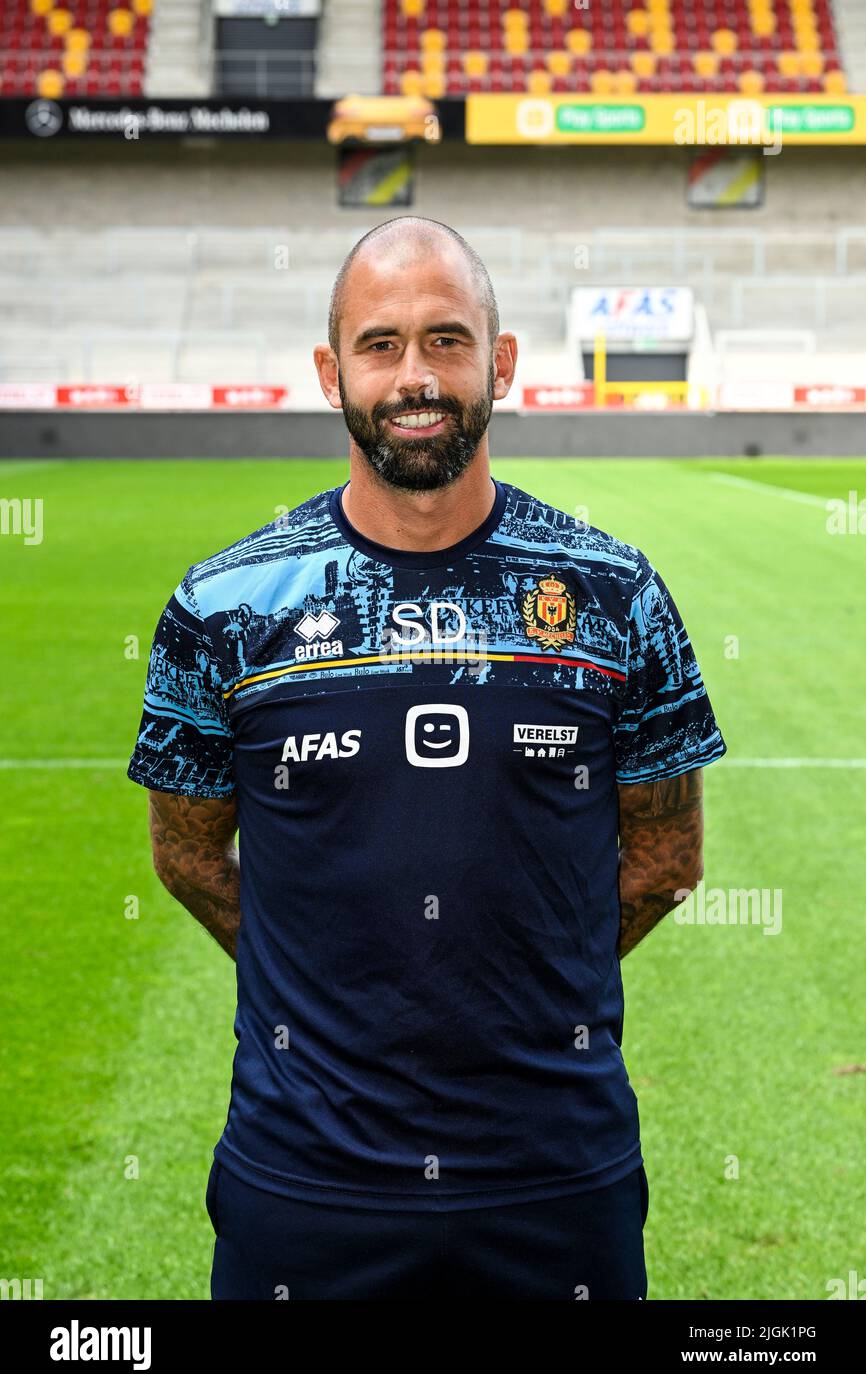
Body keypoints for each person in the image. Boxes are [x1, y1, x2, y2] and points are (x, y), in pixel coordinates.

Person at [127, 216, 727, 1300]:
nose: (415, 376)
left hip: (553, 1173)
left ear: (499, 362)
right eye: (380, 344)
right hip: (304, 1177)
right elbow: (186, 856)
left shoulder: (611, 594)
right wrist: (337, 998)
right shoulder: (220, 606)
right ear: (331, 371)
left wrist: (521, 992)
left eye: (447, 340)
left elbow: (665, 857)